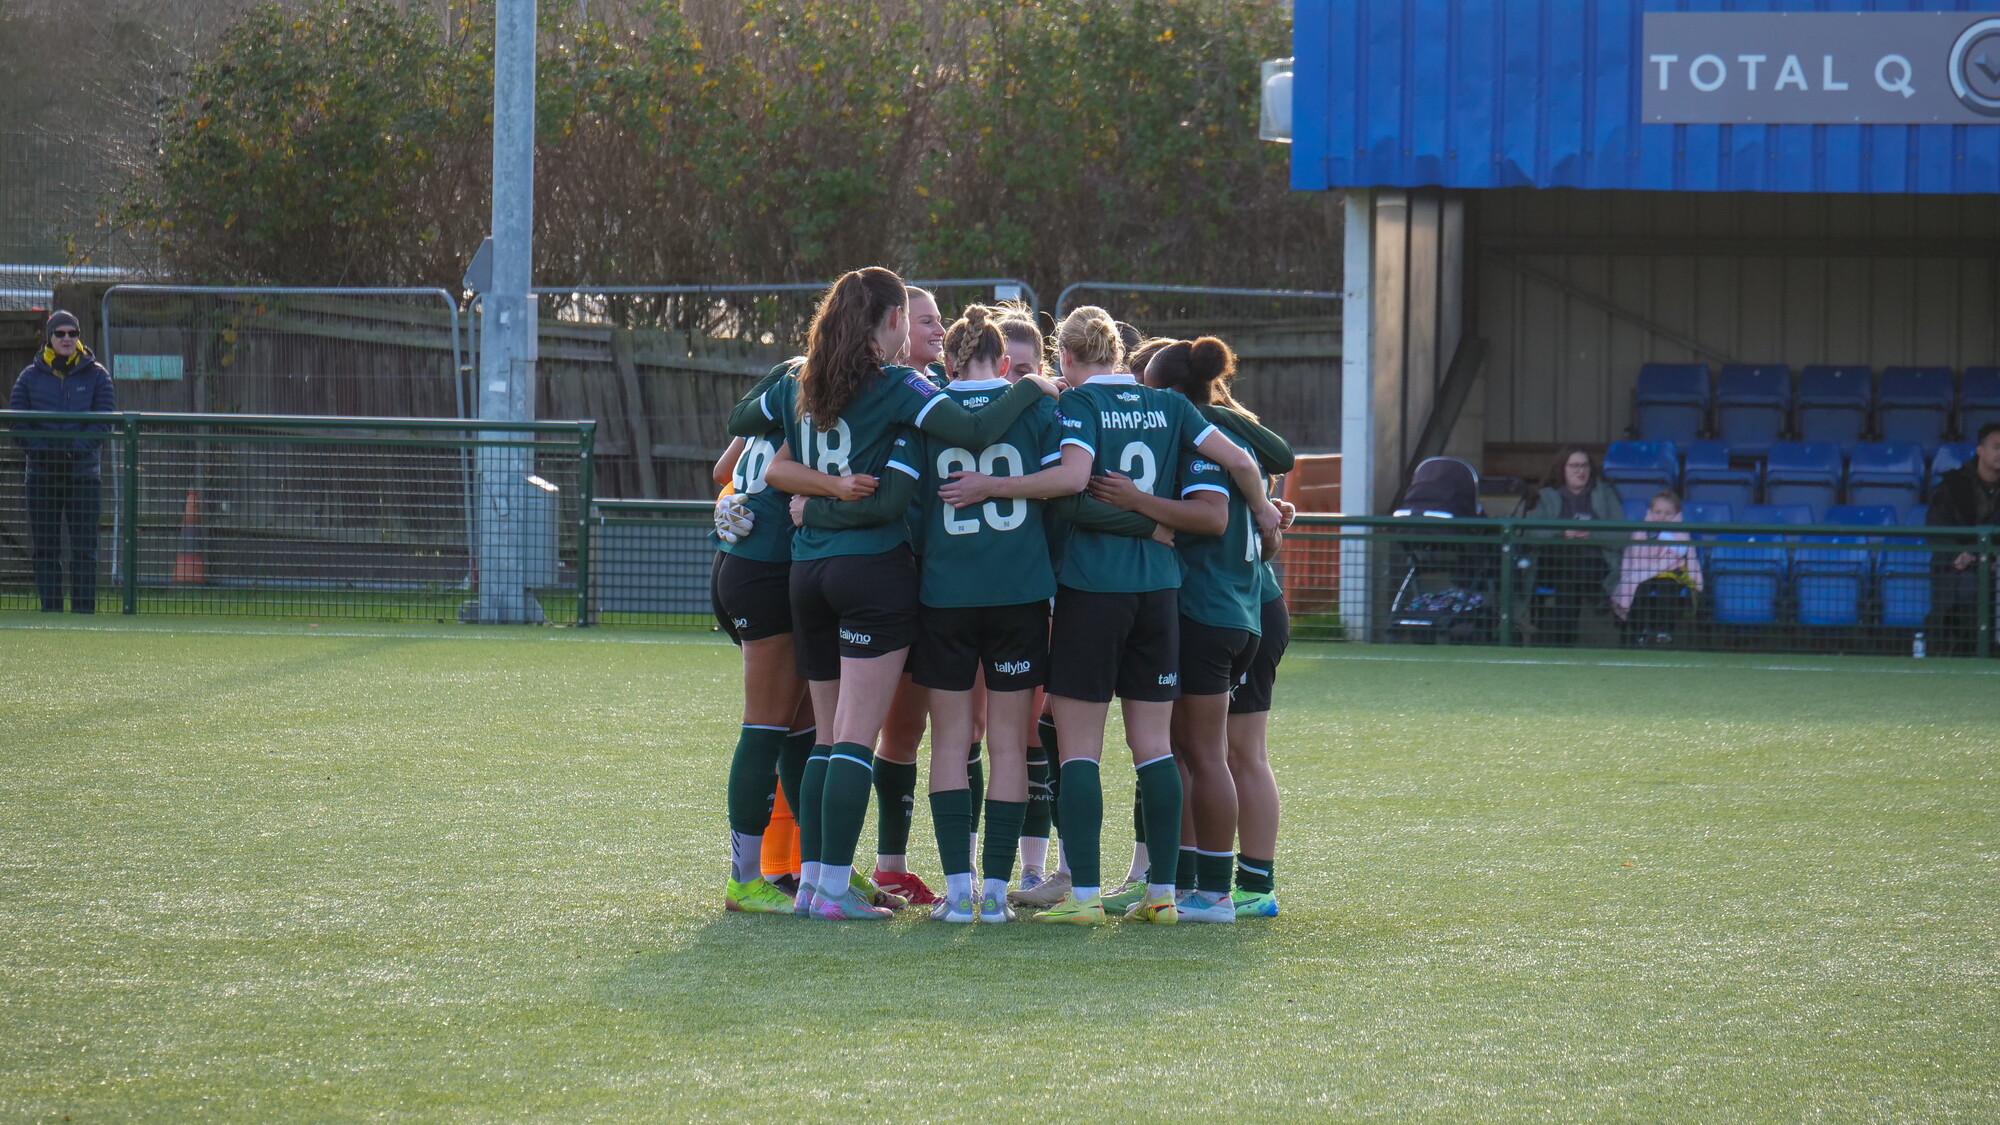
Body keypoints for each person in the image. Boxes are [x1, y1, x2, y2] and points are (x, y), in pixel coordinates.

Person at [723, 267, 1059, 920]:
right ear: (894, 320)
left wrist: (817, 490)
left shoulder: (801, 380)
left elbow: (749, 430)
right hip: (870, 573)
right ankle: (830, 890)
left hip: (806, 571)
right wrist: (1030, 386)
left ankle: (815, 882)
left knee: (826, 738)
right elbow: (972, 432)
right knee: (854, 738)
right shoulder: (900, 386)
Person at [1032, 306, 1280, 925]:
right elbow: (1246, 459)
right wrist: (1264, 512)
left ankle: (1083, 897)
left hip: (1093, 586)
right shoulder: (1171, 408)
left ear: (1066, 357)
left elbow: (1070, 491)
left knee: (1080, 751)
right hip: (1163, 594)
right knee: (1158, 750)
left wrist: (995, 486)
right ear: (1120, 353)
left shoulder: (1078, 405)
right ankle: (1165, 893)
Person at [11, 310, 115, 614]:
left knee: (84, 549)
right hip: (42, 474)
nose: (67, 338)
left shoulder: (98, 375)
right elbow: (18, 422)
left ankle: (83, 612)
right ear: (50, 338)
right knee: (45, 548)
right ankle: (51, 611)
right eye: (60, 333)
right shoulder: (28, 377)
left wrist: (74, 451)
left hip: (83, 475)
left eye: (73, 333)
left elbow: (103, 421)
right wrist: (44, 452)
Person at [1515, 446, 1622, 646]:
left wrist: (1591, 534)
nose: (1580, 471)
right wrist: (1561, 533)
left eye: (1584, 466)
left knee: (1568, 580)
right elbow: (1531, 534)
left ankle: (1563, 642)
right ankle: (1597, 597)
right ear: (1562, 469)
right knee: (1568, 558)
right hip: (1551, 563)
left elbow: (1621, 534)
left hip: (1594, 564)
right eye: (1574, 466)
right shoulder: (1546, 496)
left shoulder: (1605, 494)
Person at [1925, 422, 2000, 657]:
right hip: (1956, 565)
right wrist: (1958, 553)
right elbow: (1936, 525)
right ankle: (1959, 651)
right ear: (1980, 450)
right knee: (1966, 589)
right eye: (1996, 447)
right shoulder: (1953, 484)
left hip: (1995, 563)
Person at [1612, 489, 1704, 648]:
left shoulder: (1680, 531)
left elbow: (1682, 550)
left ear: (1676, 514)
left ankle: (1665, 631)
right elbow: (1634, 554)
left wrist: (1660, 535)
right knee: (1637, 589)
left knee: (1666, 589)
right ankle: (1638, 631)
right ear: (1650, 512)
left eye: (1668, 513)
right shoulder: (1641, 530)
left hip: (1670, 573)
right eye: (1658, 512)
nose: (1662, 517)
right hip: (1644, 573)